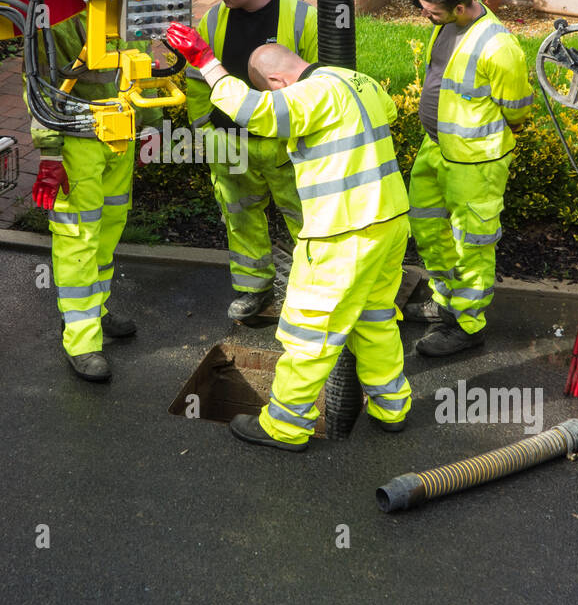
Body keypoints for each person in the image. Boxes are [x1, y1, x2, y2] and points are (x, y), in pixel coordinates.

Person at [166, 26, 412, 451]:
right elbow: (381, 113)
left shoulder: (308, 95)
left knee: (308, 331)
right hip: (389, 221)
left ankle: (285, 425)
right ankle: (392, 407)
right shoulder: (357, 80)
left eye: (273, 90)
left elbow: (253, 111)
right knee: (374, 318)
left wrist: (204, 60)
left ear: (279, 82)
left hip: (343, 231)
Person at [405, 0, 533, 357]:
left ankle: (467, 325)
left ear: (461, 7)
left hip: (475, 163)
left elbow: (518, 109)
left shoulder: (499, 47)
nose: (427, 17)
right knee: (426, 227)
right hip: (436, 148)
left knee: (471, 244)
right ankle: (446, 302)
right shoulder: (446, 27)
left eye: (433, 13)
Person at [184, 0, 318, 321]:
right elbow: (197, 76)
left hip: (284, 145)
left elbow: (320, 82)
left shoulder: (303, 18)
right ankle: (253, 289)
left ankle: (315, 292)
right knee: (240, 217)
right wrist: (204, 129)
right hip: (231, 143)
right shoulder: (214, 18)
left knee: (308, 222)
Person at [30, 14, 161, 382]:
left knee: (106, 232)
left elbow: (143, 69)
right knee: (78, 239)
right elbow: (38, 83)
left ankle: (95, 311)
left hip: (120, 137)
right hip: (78, 142)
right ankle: (82, 341)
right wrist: (51, 152)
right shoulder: (54, 21)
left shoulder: (124, 10)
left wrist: (152, 125)